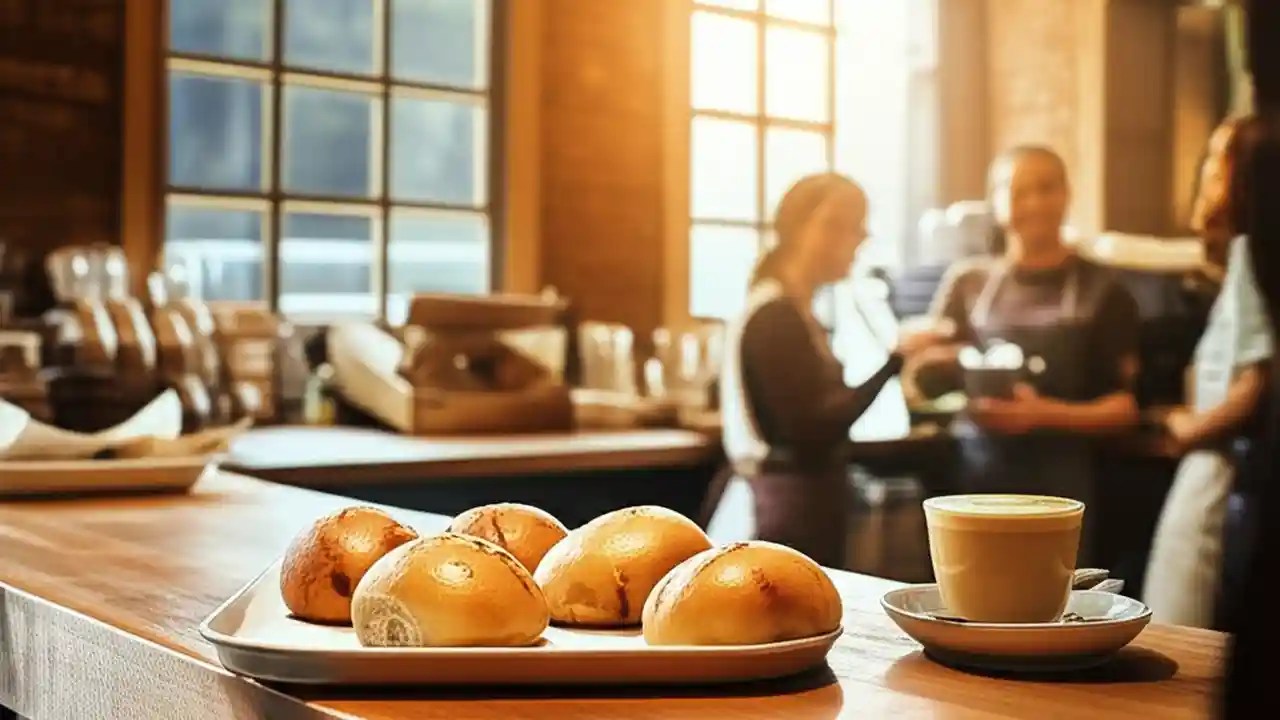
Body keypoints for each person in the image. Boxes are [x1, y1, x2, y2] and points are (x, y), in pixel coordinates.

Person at [904, 146, 1142, 562]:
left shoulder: (1104, 289)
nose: (1032, 202)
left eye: (1045, 188)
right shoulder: (967, 283)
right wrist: (928, 359)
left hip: (1061, 483)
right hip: (973, 476)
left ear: (1067, 195)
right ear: (996, 204)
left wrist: (1041, 413)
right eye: (1017, 191)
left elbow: (1124, 409)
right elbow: (920, 383)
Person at [718, 173, 931, 568]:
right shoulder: (776, 315)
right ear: (817, 230)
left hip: (795, 506)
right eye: (853, 228)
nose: (861, 240)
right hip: (787, 513)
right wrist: (895, 361)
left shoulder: (791, 308)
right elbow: (813, 429)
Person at [1142, 116, 1273, 630]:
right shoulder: (1245, 253)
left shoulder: (1253, 252)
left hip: (1221, 465)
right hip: (1220, 461)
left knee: (1181, 625)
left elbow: (1257, 381)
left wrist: (1186, 428)